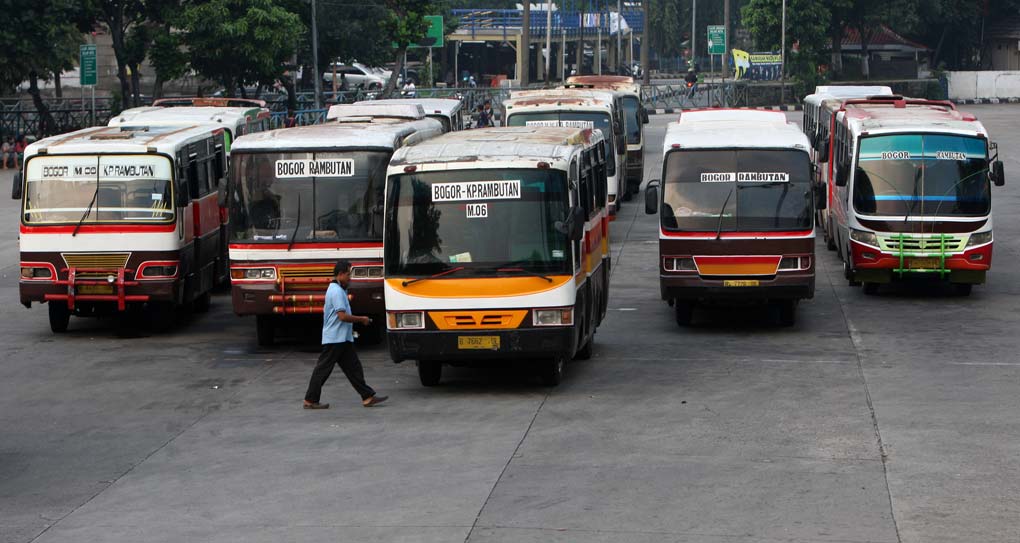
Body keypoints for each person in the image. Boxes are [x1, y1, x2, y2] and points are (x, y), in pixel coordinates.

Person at [303, 260, 388, 409]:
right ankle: (310, 400)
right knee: (323, 370)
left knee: (354, 368)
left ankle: (367, 397)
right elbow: (342, 316)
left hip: (342, 338)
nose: (350, 278)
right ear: (340, 274)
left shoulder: (340, 289)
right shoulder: (336, 291)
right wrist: (361, 319)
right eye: (348, 275)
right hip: (335, 338)